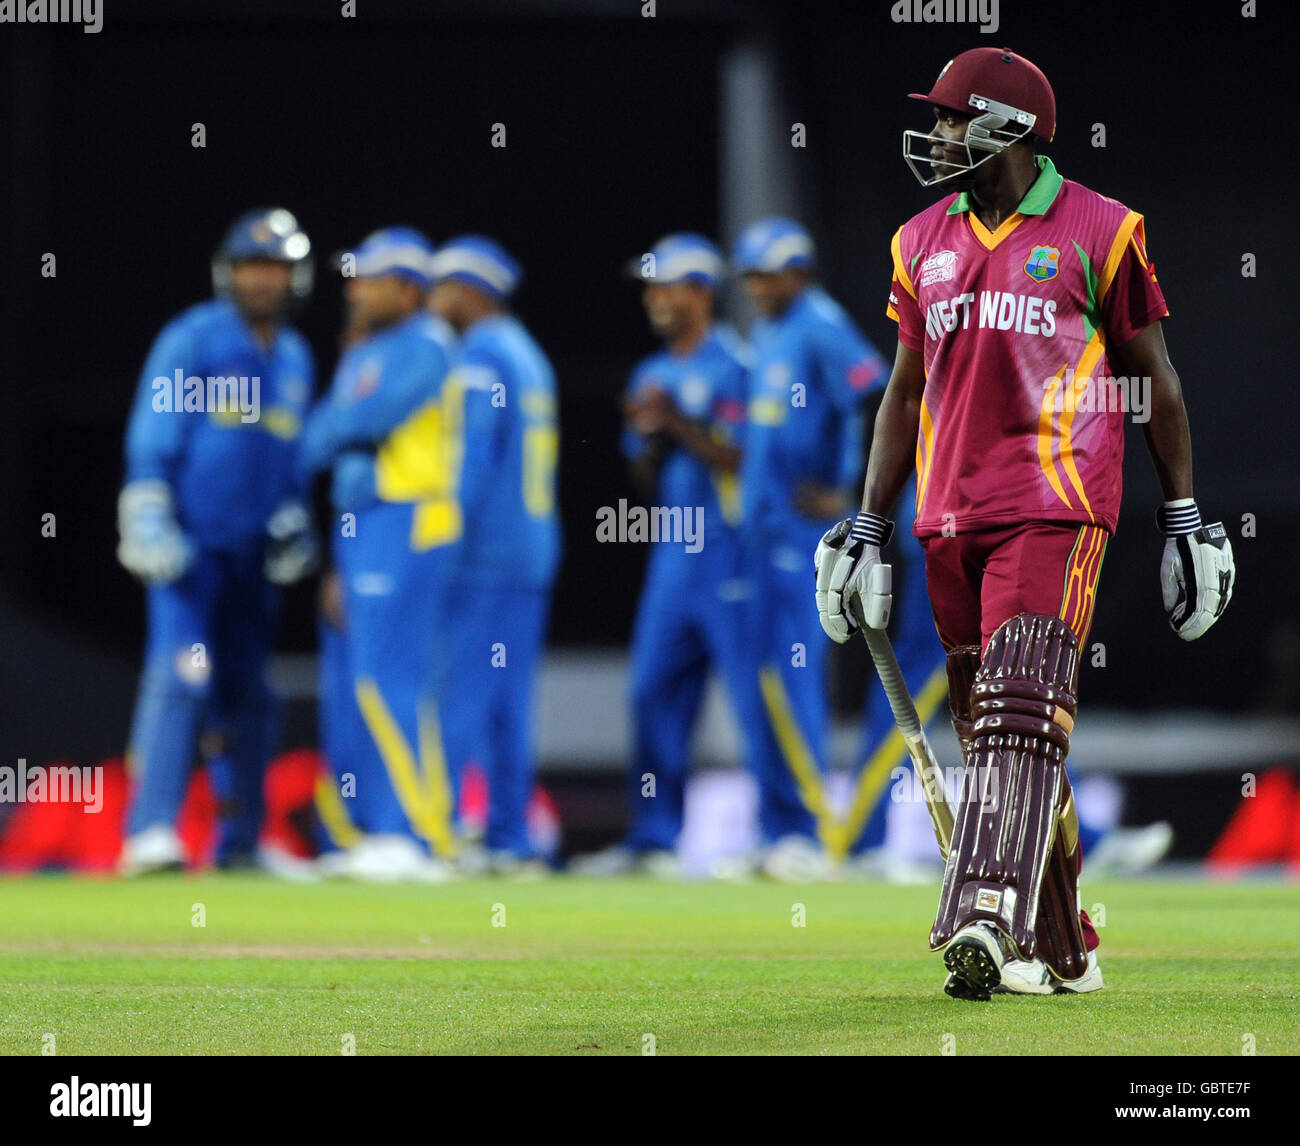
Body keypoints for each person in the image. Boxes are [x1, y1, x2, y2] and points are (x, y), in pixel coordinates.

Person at [815, 47, 1235, 997]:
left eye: (956, 118)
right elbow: (901, 391)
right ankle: (1062, 946)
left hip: (1057, 504)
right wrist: (870, 524)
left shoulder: (1102, 227)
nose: (941, 135)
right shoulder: (918, 238)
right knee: (1004, 734)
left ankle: (981, 911)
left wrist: (1185, 514)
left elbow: (1155, 378)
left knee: (1017, 711)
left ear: (1007, 125)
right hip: (948, 516)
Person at [117, 207, 318, 875]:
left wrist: (292, 515)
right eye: (252, 266)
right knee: (182, 676)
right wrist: (146, 507)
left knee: (252, 696)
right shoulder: (194, 339)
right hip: (192, 546)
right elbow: (155, 429)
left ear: (296, 277)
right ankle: (149, 832)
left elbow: (287, 454)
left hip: (252, 557)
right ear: (228, 273)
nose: (263, 280)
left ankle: (240, 843)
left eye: (275, 268)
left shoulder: (293, 356)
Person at [570, 233, 754, 878]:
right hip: (674, 556)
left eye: (664, 285)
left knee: (755, 696)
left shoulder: (736, 363)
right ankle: (654, 837)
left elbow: (743, 460)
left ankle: (785, 838)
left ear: (701, 291)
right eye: (648, 287)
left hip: (732, 555)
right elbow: (643, 478)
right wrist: (651, 441)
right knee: (651, 692)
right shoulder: (651, 372)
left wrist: (675, 424)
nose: (652, 299)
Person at [301, 226, 460, 882]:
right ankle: (370, 830)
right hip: (362, 523)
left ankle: (415, 835)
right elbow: (313, 445)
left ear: (407, 288)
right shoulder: (368, 350)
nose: (355, 287)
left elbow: (359, 423)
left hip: (410, 515)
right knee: (352, 682)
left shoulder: (427, 343)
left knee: (388, 678)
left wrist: (342, 414)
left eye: (370, 276)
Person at [733, 218, 889, 879]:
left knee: (796, 676)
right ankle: (777, 831)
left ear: (799, 273)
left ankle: (809, 830)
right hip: (764, 529)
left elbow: (877, 394)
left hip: (806, 534)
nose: (758, 288)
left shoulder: (821, 325)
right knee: (765, 681)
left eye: (768, 276)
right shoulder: (769, 333)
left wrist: (849, 488)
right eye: (751, 277)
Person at [426, 235, 561, 875]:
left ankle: (445, 833)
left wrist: (441, 540)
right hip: (529, 551)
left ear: (470, 291)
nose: (434, 300)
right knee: (507, 702)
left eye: (443, 286)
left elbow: (472, 461)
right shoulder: (526, 352)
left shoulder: (480, 354)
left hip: (484, 553)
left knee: (460, 695)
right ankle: (508, 838)